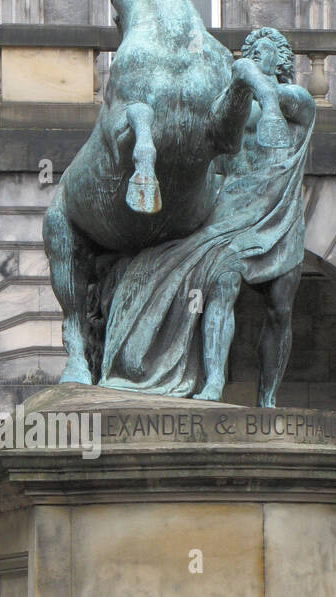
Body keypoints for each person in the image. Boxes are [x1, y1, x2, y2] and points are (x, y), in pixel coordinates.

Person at [99, 28, 316, 406]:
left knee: (280, 309)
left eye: (263, 52)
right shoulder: (236, 108)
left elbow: (277, 101)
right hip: (231, 213)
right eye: (249, 52)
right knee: (221, 283)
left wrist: (250, 78)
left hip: (280, 214)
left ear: (280, 59)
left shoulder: (298, 101)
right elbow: (216, 147)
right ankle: (214, 381)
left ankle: (268, 398)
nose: (255, 57)